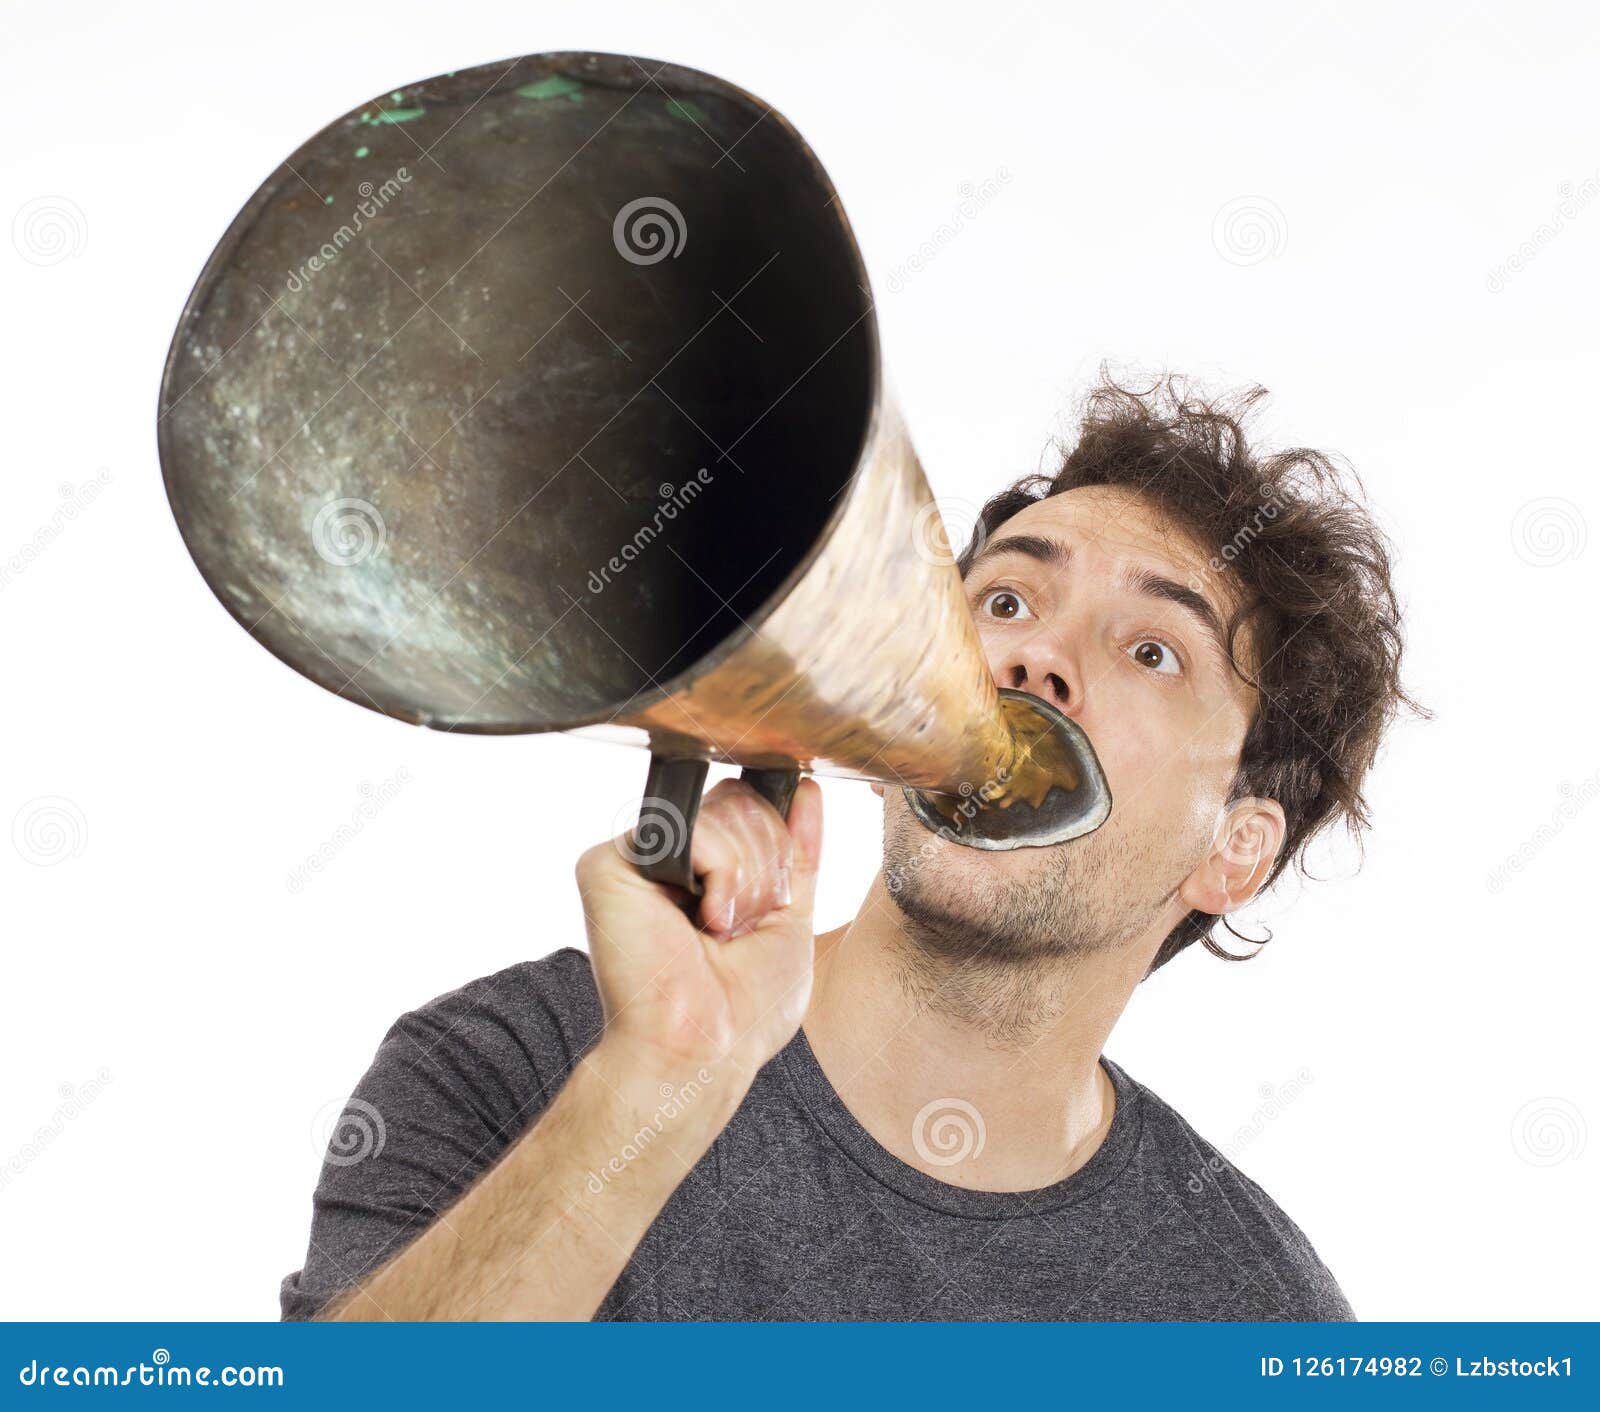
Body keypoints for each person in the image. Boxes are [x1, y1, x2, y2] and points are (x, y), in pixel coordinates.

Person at [282, 374, 1417, 1321]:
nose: (1033, 659)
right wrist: (655, 1078)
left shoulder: (1255, 1314)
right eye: (1007, 601)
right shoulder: (520, 1063)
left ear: (1234, 853)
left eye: (1152, 651)